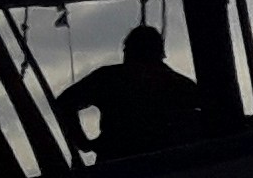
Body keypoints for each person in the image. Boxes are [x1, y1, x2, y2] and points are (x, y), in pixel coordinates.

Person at [58, 21, 217, 162]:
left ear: (128, 51)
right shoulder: (177, 83)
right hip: (168, 164)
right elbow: (212, 113)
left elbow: (65, 102)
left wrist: (83, 143)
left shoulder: (108, 78)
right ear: (160, 53)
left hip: (117, 164)